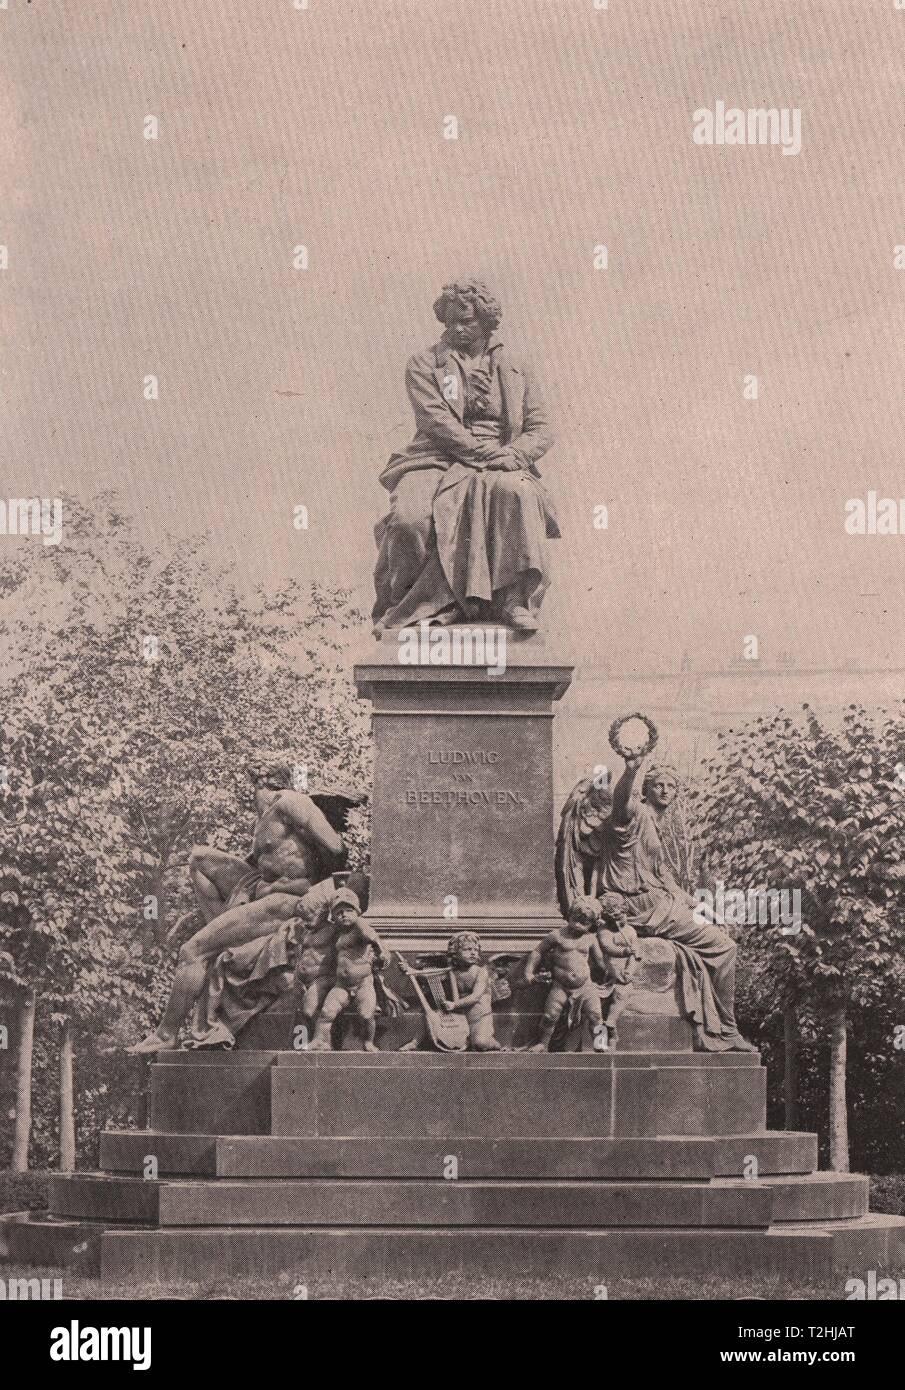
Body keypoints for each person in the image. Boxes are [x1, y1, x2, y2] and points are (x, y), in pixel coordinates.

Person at [372, 278, 559, 635]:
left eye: (467, 321)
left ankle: (512, 599)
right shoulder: (425, 364)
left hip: (503, 459)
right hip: (436, 458)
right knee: (411, 518)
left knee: (515, 493)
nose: (457, 329)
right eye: (450, 322)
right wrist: (487, 454)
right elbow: (437, 422)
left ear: (487, 321)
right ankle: (406, 606)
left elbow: (541, 427)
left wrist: (515, 454)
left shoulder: (518, 367)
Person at [128, 762, 355, 1053]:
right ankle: (222, 928)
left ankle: (166, 1034)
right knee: (199, 858)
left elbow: (337, 849)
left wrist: (324, 890)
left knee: (191, 951)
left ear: (261, 782)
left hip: (285, 901)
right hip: (261, 890)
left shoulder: (291, 801)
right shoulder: (264, 817)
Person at [597, 756, 757, 1052]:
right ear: (646, 790)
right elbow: (620, 804)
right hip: (642, 904)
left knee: (715, 933)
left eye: (671, 786)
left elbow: (666, 878)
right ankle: (727, 1031)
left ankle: (722, 1026)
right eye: (658, 785)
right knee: (724, 947)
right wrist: (630, 771)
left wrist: (696, 905)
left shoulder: (657, 826)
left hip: (660, 901)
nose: (666, 791)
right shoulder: (636, 816)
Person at [307, 891, 390, 1053]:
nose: (343, 915)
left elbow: (372, 936)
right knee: (326, 1012)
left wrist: (382, 951)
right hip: (342, 985)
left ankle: (368, 1042)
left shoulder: (359, 925)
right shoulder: (338, 931)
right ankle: (320, 1041)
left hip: (363, 984)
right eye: (338, 913)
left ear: (357, 912)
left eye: (348, 911)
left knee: (366, 1015)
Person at [524, 896, 607, 1052]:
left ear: (592, 924)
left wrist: (610, 972)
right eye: (575, 919)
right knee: (550, 1016)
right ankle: (543, 1043)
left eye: (585, 923)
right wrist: (529, 971)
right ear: (570, 915)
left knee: (596, 1016)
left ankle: (601, 1044)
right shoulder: (557, 936)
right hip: (560, 986)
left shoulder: (590, 939)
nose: (578, 925)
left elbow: (600, 961)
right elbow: (537, 952)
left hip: (585, 986)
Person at [440, 930, 501, 1051]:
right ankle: (416, 1042)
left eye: (475, 950)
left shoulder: (480, 971)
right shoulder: (452, 972)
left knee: (480, 1043)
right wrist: (408, 969)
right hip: (459, 1019)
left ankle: (494, 1044)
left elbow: (476, 996)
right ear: (455, 953)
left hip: (479, 1018)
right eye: (467, 949)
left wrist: (455, 1004)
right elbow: (428, 977)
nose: (473, 953)